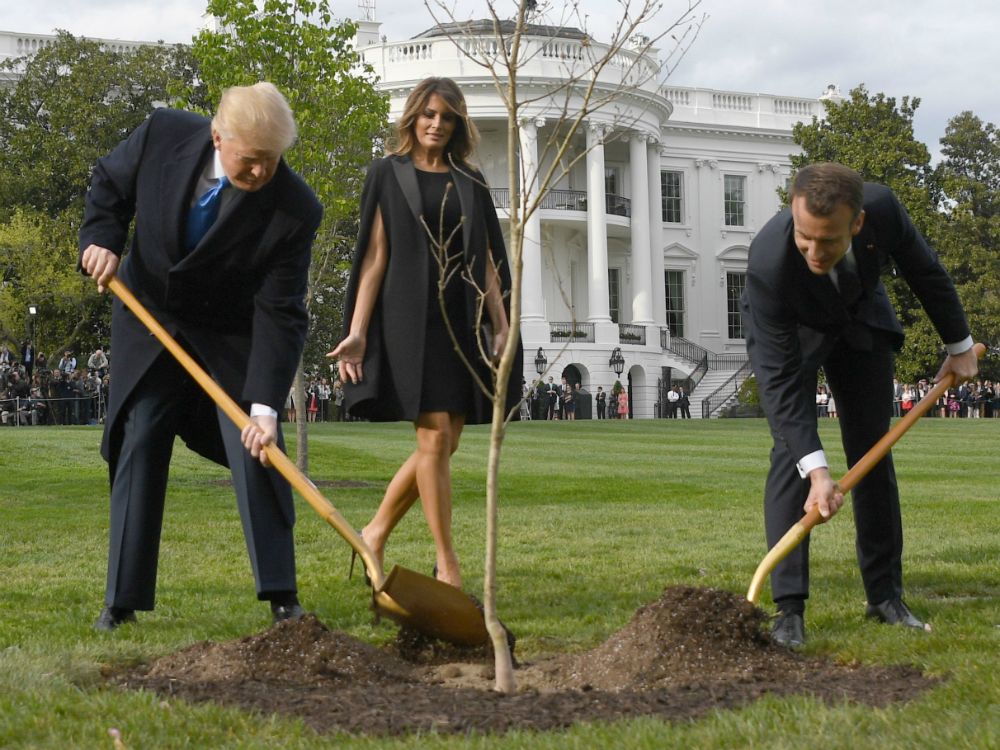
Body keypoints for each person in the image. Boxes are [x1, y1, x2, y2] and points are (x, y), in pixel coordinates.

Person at [78, 82, 322, 631]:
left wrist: (266, 405)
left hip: (229, 332)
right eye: (250, 159)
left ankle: (282, 596)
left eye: (271, 160)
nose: (261, 171)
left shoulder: (296, 208)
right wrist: (102, 239)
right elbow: (110, 182)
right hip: (149, 314)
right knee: (140, 435)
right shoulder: (163, 134)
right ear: (218, 137)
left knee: (258, 448)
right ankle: (121, 601)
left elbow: (281, 310)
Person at [742, 162, 977, 648]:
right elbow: (780, 384)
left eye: (828, 241)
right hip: (795, 333)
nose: (814, 252)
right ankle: (789, 610)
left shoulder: (884, 209)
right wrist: (817, 472)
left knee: (872, 451)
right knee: (791, 454)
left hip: (861, 319)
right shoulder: (768, 262)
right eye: (805, 237)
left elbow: (926, 273)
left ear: (858, 223)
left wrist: (959, 347)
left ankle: (885, 597)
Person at [330, 77, 520, 590]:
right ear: (413, 116)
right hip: (409, 319)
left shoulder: (470, 180)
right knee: (434, 435)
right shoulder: (387, 173)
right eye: (429, 114)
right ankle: (447, 564)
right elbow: (374, 257)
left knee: (446, 441)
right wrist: (358, 332)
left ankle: (374, 532)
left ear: (458, 124)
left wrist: (501, 324)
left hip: (460, 318)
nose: (437, 124)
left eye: (448, 117)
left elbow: (487, 258)